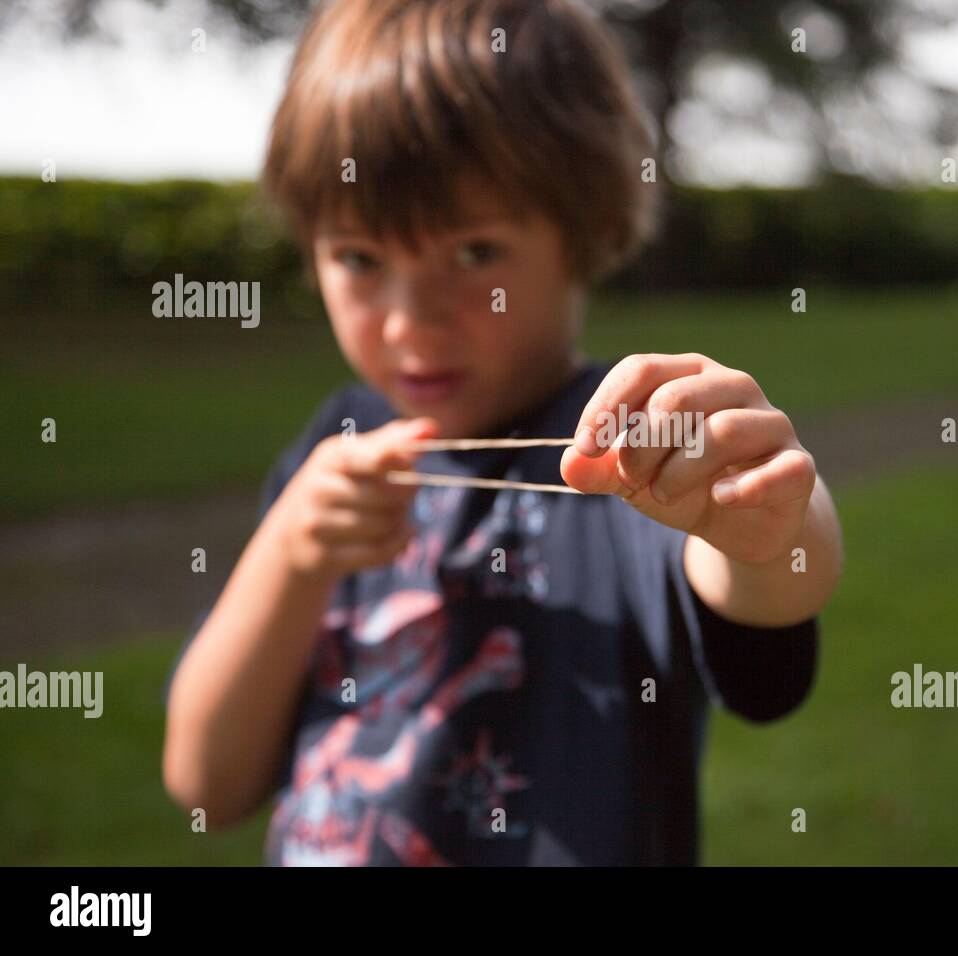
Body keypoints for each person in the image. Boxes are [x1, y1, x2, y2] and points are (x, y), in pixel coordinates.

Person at [162, 0, 843, 866]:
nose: (410, 323)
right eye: (361, 259)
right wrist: (289, 557)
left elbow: (774, 577)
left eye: (474, 254)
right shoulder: (336, 441)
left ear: (589, 229)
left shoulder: (621, 446)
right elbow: (206, 783)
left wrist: (764, 518)